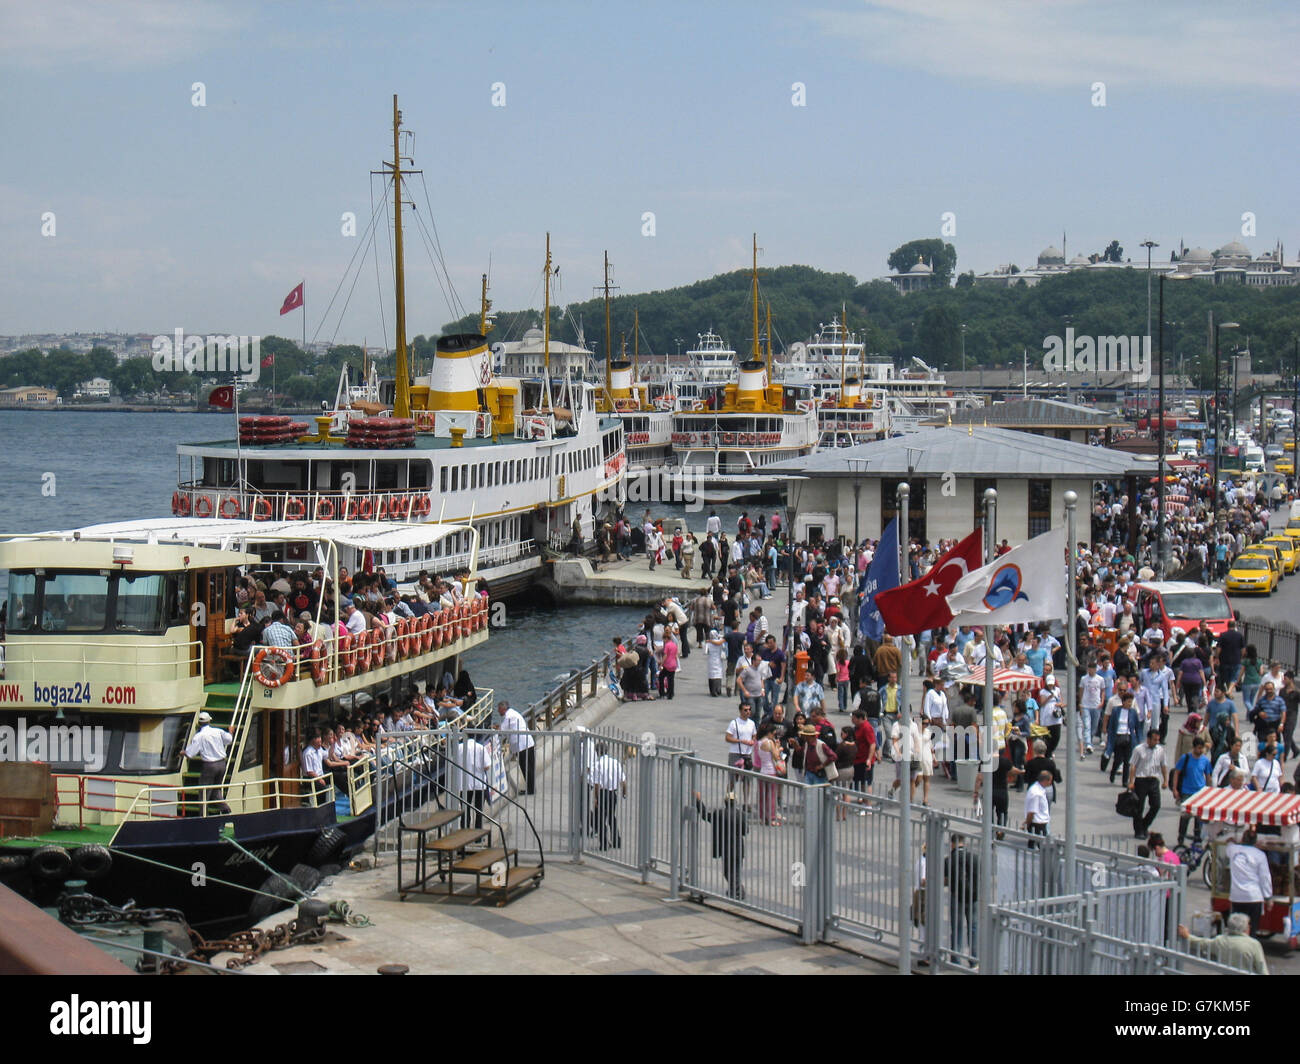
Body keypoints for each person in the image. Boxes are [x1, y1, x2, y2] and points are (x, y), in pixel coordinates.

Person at [694, 789, 747, 899]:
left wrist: (698, 801)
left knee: (728, 872)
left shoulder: (719, 814)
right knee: (736, 871)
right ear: (735, 802)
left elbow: (705, 815)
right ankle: (738, 890)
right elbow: (745, 831)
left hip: (725, 848)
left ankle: (735, 892)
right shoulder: (740, 815)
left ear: (725, 802)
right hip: (738, 848)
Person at [1177, 913, 1268, 975]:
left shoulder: (1220, 941)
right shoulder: (1253, 944)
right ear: (1246, 928)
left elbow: (1201, 943)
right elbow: (1262, 968)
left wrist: (1188, 936)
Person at [184, 711, 233, 815]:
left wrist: (182, 752)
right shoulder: (218, 731)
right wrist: (231, 731)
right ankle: (225, 808)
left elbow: (190, 754)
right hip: (222, 764)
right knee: (216, 790)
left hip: (209, 766)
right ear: (209, 721)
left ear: (199, 723)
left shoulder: (199, 736)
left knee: (204, 793)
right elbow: (229, 740)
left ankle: (203, 818)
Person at [1226, 829, 1273, 934]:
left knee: (1237, 930)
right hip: (1254, 897)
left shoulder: (1233, 850)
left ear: (1242, 839)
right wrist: (1268, 897)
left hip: (1237, 896)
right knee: (1251, 929)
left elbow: (1229, 843)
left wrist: (1232, 840)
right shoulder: (1260, 855)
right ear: (1255, 841)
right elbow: (1265, 877)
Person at [944, 834, 980, 965]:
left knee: (957, 928)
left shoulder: (949, 860)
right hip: (973, 898)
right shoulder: (975, 858)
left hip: (957, 897)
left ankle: (956, 959)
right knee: (974, 927)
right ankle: (974, 959)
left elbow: (945, 880)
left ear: (953, 843)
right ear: (963, 843)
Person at [1128, 725, 1168, 839]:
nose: (1156, 742)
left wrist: (1165, 780)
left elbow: (1163, 765)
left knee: (1156, 805)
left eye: (1158, 739)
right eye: (1154, 739)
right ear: (1148, 739)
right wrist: (1131, 781)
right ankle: (1138, 830)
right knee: (1139, 807)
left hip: (1154, 779)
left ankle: (1144, 825)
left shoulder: (1160, 750)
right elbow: (1133, 766)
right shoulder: (1139, 749)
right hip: (1141, 780)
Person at [1171, 737, 1212, 846]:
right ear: (1193, 747)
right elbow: (1177, 773)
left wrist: (1209, 791)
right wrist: (1175, 789)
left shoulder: (1205, 760)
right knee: (1185, 816)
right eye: (1198, 748)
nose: (1200, 751)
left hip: (1200, 792)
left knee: (1199, 818)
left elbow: (1208, 776)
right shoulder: (1185, 758)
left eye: (1202, 748)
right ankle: (1181, 837)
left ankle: (1197, 838)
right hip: (1186, 792)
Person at [590, 743, 627, 850]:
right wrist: (624, 792)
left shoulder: (598, 764)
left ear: (597, 752)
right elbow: (623, 781)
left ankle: (604, 843)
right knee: (611, 817)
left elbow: (597, 784)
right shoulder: (615, 762)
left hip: (602, 794)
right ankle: (616, 841)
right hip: (612, 794)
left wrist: (596, 798)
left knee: (600, 819)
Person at [496, 701, 536, 794]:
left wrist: (494, 727)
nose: (498, 712)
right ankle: (531, 788)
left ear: (503, 708)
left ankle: (530, 790)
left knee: (526, 767)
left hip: (522, 745)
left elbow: (501, 730)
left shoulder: (508, 716)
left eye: (499, 709)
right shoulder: (513, 713)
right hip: (527, 742)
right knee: (530, 767)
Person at [754, 722, 785, 825]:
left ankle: (763, 817)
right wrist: (778, 748)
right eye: (773, 734)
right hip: (771, 771)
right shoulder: (769, 742)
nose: (774, 736)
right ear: (769, 733)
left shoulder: (759, 742)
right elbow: (776, 756)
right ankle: (771, 817)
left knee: (762, 795)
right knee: (771, 795)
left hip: (762, 770)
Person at [1024, 770, 1053, 844]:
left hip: (1040, 823)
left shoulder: (1039, 789)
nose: (1051, 783)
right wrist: (1027, 823)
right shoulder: (1036, 793)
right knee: (1040, 847)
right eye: (1050, 780)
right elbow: (1032, 811)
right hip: (1037, 824)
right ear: (1046, 780)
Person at [705, 628, 726, 697]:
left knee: (711, 675)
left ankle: (712, 690)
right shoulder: (720, 642)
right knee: (718, 674)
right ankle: (718, 690)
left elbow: (705, 652)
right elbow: (724, 647)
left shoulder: (708, 643)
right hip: (718, 660)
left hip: (711, 660)